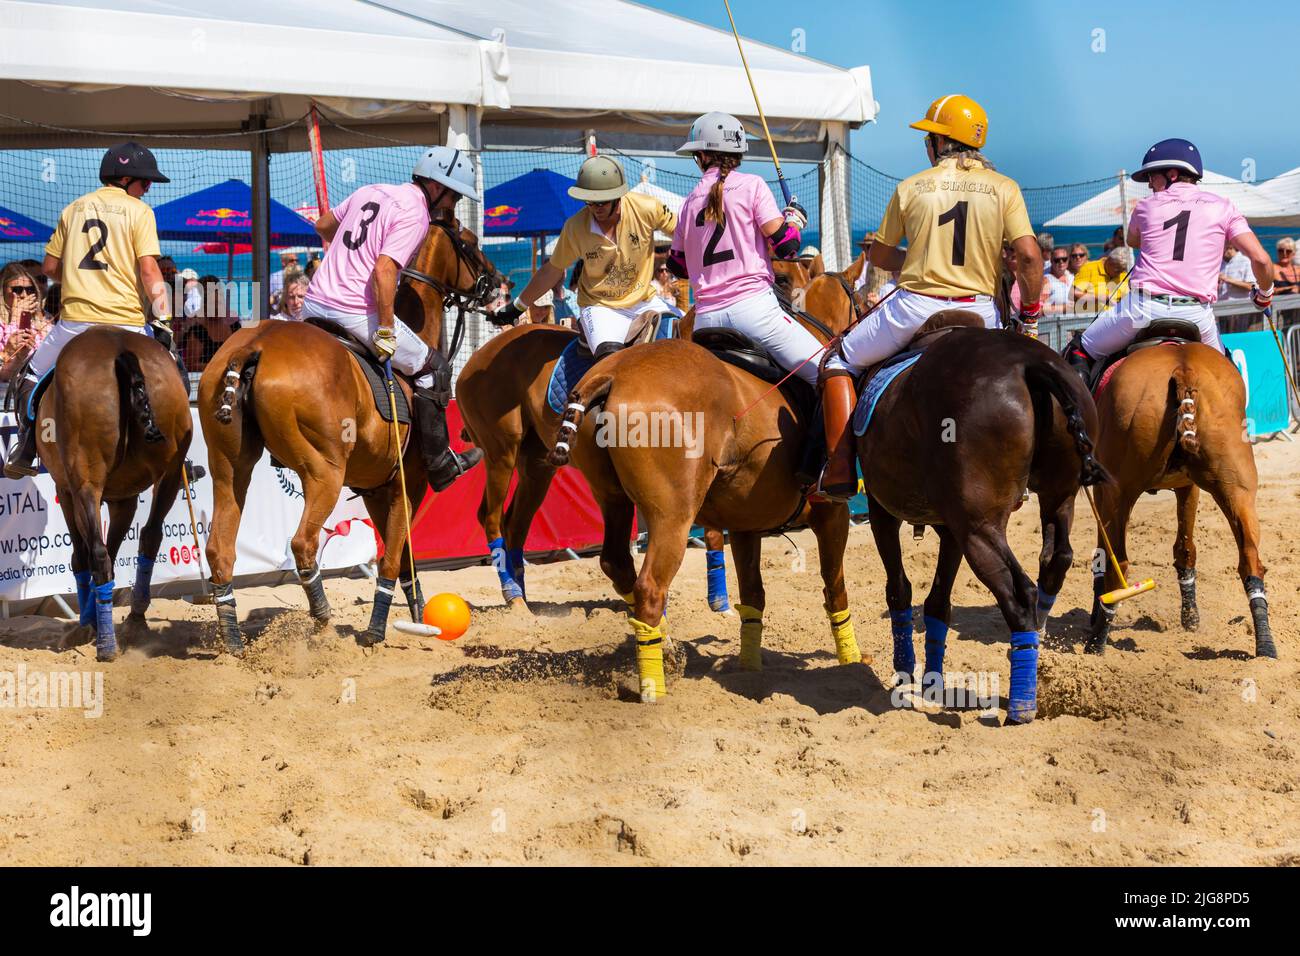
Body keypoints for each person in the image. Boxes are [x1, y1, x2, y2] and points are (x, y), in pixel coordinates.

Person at [818, 94, 1042, 501]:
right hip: (981, 313)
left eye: (929, 137)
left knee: (836, 359)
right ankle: (1026, 472)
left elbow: (882, 257)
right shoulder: (1003, 187)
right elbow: (1028, 257)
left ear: (940, 143)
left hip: (916, 307)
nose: (926, 145)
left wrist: (915, 257)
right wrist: (1029, 318)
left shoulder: (911, 187)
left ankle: (839, 469)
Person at [303, 145, 483, 492]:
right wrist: (385, 329)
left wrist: (347, 257)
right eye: (454, 197)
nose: (452, 205)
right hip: (353, 312)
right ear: (435, 187)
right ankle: (440, 464)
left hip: (312, 305)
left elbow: (323, 225)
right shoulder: (417, 214)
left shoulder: (370, 190)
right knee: (435, 369)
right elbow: (384, 272)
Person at [5, 142, 172, 478]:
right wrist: (164, 316)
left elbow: (49, 268)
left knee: (30, 376)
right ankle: (176, 451)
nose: (148, 189)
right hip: (128, 324)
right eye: (145, 183)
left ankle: (26, 447)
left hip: (76, 325)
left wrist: (81, 276)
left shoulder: (73, 208)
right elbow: (150, 271)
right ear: (125, 180)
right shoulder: (140, 212)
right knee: (172, 374)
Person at [1065, 138, 1274, 376]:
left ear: (1172, 174)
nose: (1150, 185)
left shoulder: (1145, 206)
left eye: (1152, 177)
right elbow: (1262, 261)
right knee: (1227, 376)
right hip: (1197, 315)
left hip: (1142, 311)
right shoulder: (1224, 206)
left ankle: (1077, 414)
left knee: (1081, 349)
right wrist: (1264, 296)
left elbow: (1133, 241)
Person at [666, 109, 809, 391]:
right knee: (831, 367)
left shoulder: (688, 202)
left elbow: (677, 267)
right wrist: (793, 220)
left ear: (703, 155)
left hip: (705, 320)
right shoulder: (752, 185)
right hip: (755, 312)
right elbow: (788, 247)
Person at [493, 155, 677, 359]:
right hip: (601, 308)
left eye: (602, 202)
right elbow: (552, 271)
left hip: (646, 301)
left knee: (687, 337)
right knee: (610, 359)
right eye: (590, 202)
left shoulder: (648, 208)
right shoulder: (575, 227)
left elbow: (683, 232)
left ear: (618, 196)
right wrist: (518, 306)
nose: (596, 208)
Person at [0, 263, 50, 382]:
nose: (24, 295)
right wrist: (16, 319)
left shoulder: (44, 319)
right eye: (17, 290)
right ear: (3, 292)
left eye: (29, 290)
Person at [1071, 246, 1132, 311]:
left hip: (1114, 317)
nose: (1120, 273)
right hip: (1088, 317)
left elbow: (1127, 297)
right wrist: (1099, 298)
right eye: (1117, 270)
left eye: (1122, 270)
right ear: (1109, 261)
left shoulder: (1123, 274)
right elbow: (1074, 294)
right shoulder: (1088, 268)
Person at [1044, 246, 1073, 313]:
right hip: (1054, 321)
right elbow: (1039, 308)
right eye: (1057, 260)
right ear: (1051, 261)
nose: (1061, 262)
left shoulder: (1072, 278)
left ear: (1068, 260)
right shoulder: (1046, 281)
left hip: (1075, 321)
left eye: (1064, 259)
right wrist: (1062, 308)